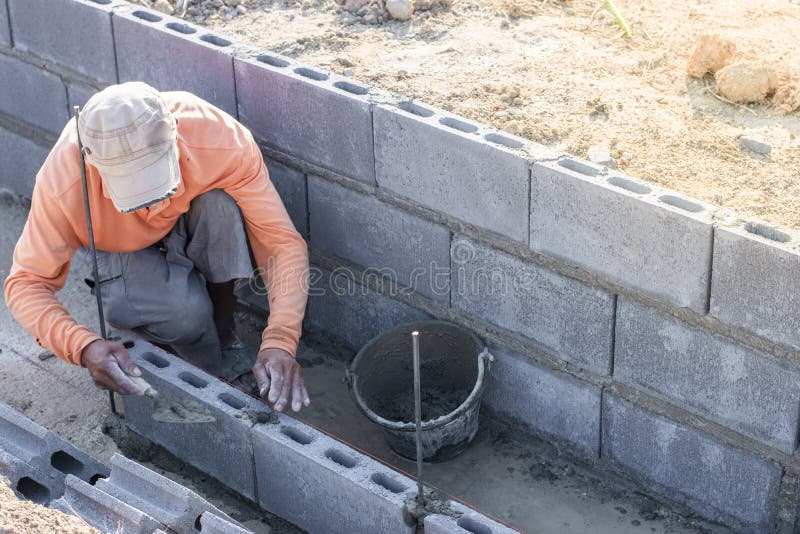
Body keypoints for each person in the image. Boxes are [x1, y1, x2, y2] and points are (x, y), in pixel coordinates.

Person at [3, 82, 311, 413]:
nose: (149, 202)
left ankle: (223, 337)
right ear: (92, 163)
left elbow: (280, 243)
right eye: (132, 187)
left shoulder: (218, 138)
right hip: (122, 245)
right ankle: (171, 337)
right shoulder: (63, 183)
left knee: (219, 206)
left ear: (174, 134)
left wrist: (281, 340)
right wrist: (82, 345)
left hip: (184, 217)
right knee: (186, 315)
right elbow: (26, 285)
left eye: (156, 179)